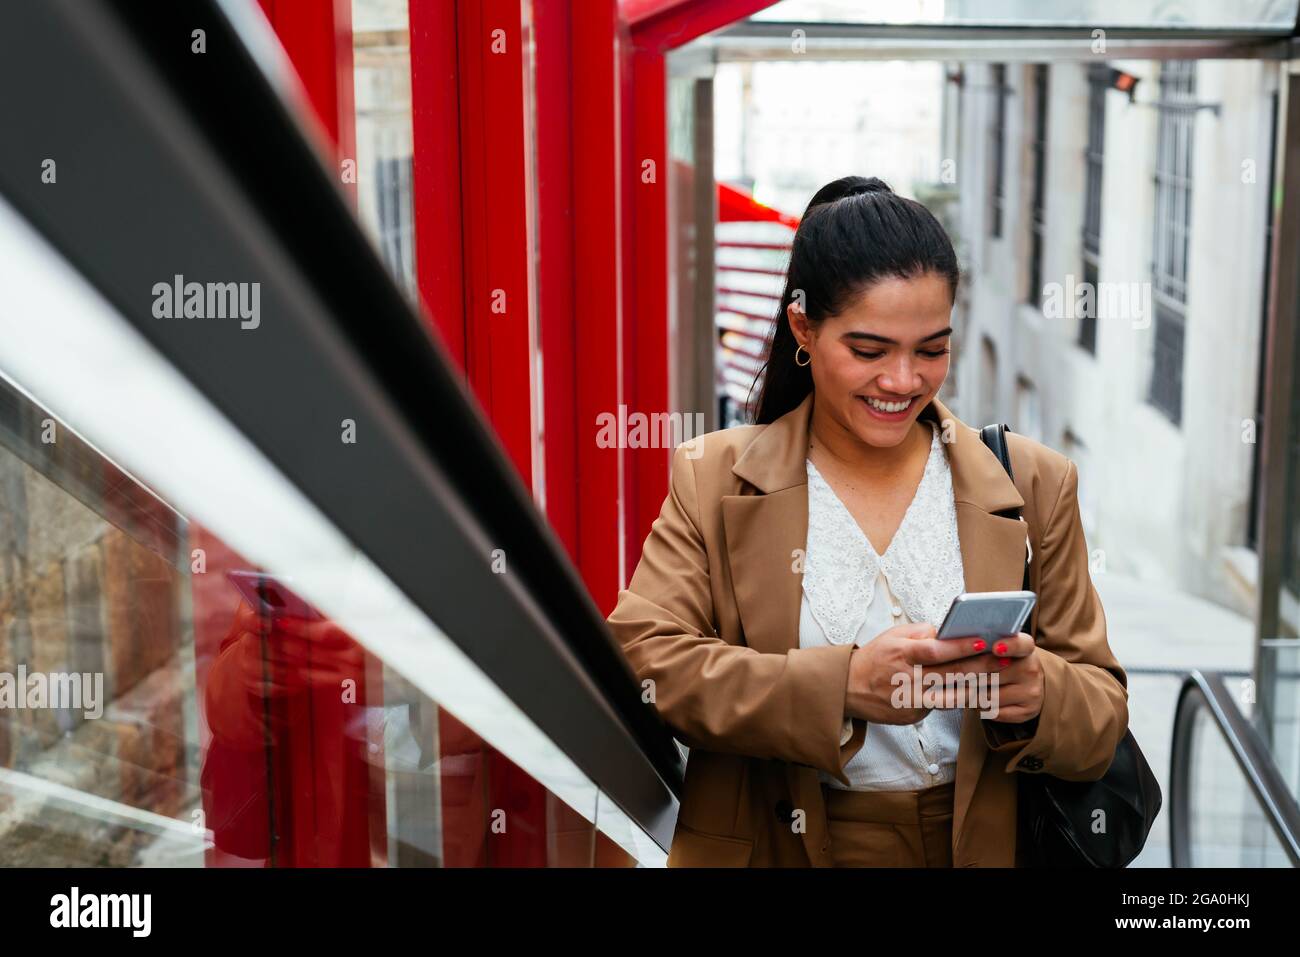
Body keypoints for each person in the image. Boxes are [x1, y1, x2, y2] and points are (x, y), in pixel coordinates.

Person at [605, 175, 1128, 867]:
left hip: (981, 842)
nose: (904, 380)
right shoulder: (715, 476)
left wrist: (1037, 695)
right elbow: (646, 660)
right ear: (803, 328)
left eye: (932, 349)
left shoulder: (1033, 481)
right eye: (870, 351)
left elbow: (1101, 706)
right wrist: (843, 685)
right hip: (778, 840)